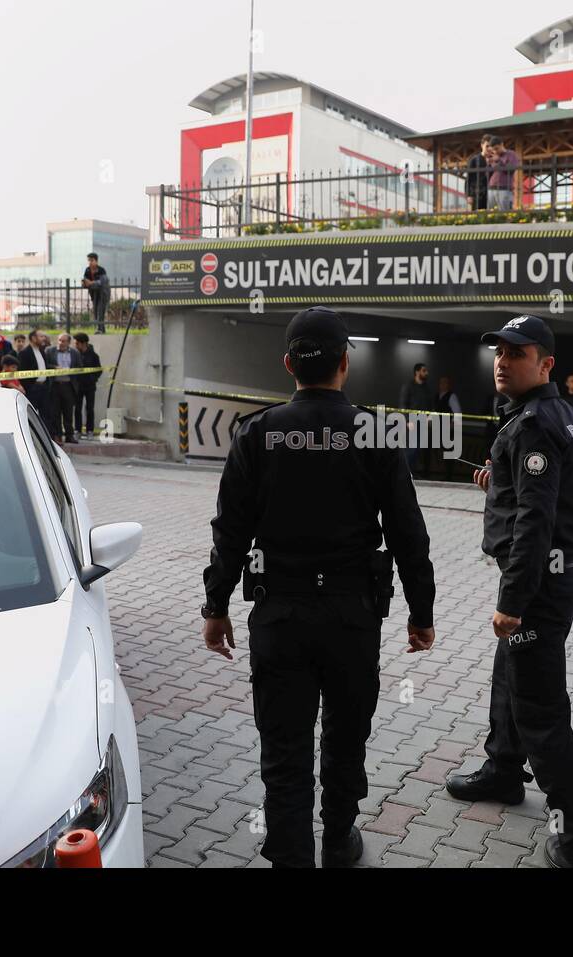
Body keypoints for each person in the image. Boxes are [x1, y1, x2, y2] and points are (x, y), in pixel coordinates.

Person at [201, 306, 436, 868]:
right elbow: (409, 532)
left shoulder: (257, 434)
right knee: (346, 735)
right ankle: (338, 841)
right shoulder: (375, 434)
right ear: (345, 365)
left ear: (288, 364)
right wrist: (420, 614)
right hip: (352, 618)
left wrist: (215, 606)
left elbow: (230, 530)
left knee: (284, 749)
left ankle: (291, 853)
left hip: (279, 615)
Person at [445, 314, 573, 869]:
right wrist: (500, 478)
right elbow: (540, 494)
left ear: (546, 363)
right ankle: (503, 770)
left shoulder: (534, 423)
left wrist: (512, 602)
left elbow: (535, 521)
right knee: (507, 677)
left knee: (541, 709)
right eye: (499, 352)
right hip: (553, 574)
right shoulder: (553, 415)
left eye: (517, 352)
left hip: (539, 582)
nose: (503, 361)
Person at [398, 362, 432, 477]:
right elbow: (403, 405)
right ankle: (405, 473)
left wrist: (429, 417)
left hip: (423, 423)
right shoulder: (408, 386)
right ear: (417, 372)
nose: (426, 373)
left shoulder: (426, 388)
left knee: (419, 450)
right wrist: (407, 421)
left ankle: (413, 473)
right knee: (411, 449)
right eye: (424, 371)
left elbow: (430, 406)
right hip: (411, 423)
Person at [46, 332, 81, 443]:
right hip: (55, 385)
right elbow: (45, 365)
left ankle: (69, 435)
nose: (61, 343)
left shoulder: (75, 353)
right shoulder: (50, 351)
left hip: (68, 385)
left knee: (68, 411)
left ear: (69, 342)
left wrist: (71, 371)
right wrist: (55, 367)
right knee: (55, 411)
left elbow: (80, 366)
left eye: (64, 341)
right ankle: (58, 435)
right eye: (59, 340)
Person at [18, 328, 55, 426]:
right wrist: (29, 387)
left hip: (44, 387)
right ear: (33, 338)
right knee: (30, 415)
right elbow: (22, 373)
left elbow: (43, 366)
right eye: (41, 336)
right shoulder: (24, 353)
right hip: (32, 389)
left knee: (46, 415)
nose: (44, 338)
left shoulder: (42, 351)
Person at [73, 333, 102, 438]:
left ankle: (90, 430)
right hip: (78, 386)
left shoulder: (94, 356)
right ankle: (78, 430)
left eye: (77, 343)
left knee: (89, 408)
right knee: (77, 409)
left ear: (83, 343)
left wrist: (92, 379)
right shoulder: (75, 354)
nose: (75, 345)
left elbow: (99, 370)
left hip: (90, 387)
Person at [486, 135, 520, 211]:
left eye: (496, 149)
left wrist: (499, 161)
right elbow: (489, 173)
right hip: (491, 188)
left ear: (502, 144)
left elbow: (511, 170)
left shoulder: (511, 155)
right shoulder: (494, 156)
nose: (495, 151)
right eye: (493, 150)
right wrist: (489, 163)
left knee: (505, 212)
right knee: (490, 214)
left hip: (504, 188)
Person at [82, 253, 110, 334]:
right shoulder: (87, 270)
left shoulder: (101, 270)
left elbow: (101, 282)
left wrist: (90, 283)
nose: (90, 262)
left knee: (100, 311)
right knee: (95, 311)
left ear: (96, 261)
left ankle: (100, 329)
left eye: (92, 260)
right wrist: (85, 283)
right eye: (89, 260)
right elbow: (85, 281)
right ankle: (102, 330)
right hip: (94, 294)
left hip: (103, 294)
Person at [466, 134, 492, 211]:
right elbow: (468, 178)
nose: (489, 148)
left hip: (491, 194)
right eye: (487, 146)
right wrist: (469, 195)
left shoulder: (495, 160)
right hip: (477, 194)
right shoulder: (474, 160)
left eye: (490, 146)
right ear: (482, 145)